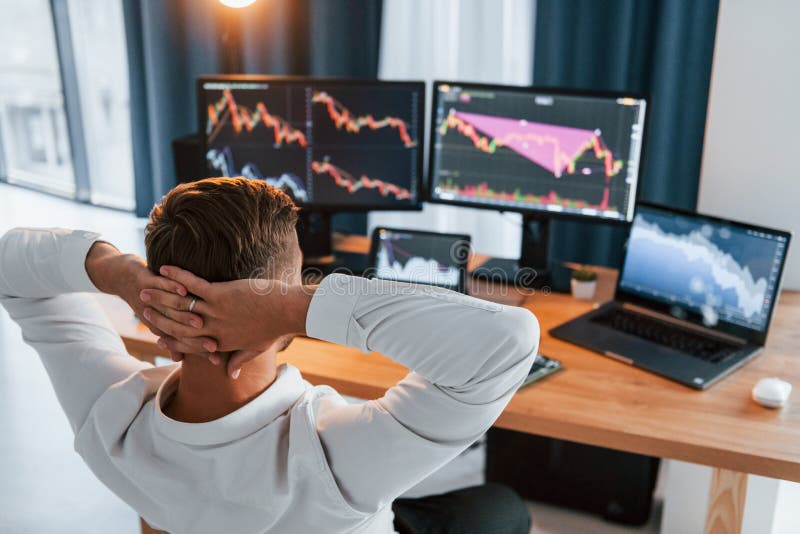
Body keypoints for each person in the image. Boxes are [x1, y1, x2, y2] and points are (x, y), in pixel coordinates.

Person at [0, 177, 539, 534]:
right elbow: (506, 343)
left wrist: (117, 272)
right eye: (298, 282)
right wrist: (291, 309)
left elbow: (12, 268)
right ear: (275, 306)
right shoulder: (336, 454)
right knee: (504, 507)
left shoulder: (107, 420)